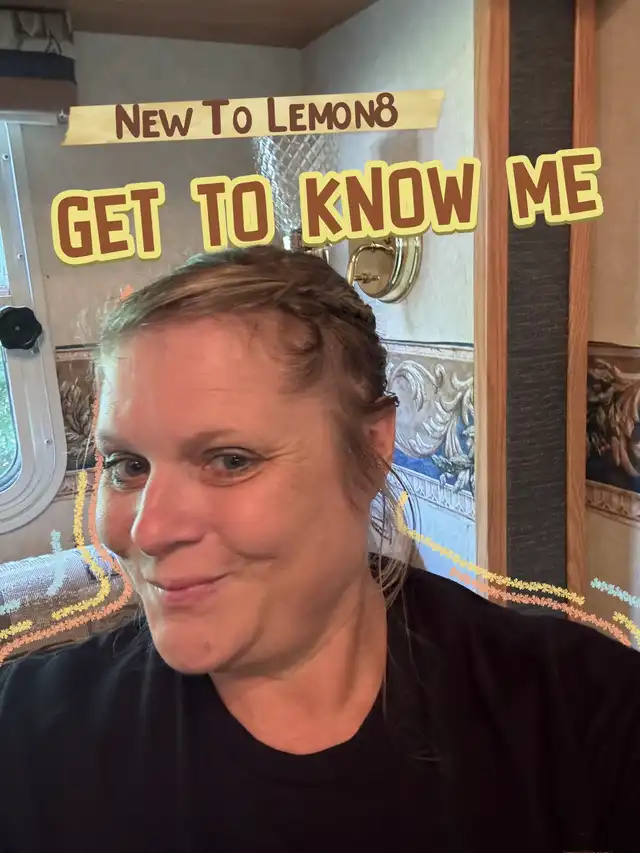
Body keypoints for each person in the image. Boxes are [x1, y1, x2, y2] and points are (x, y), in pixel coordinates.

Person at [0, 246, 638, 853]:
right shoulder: (29, 733)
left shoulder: (576, 708)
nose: (148, 530)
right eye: (128, 466)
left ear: (371, 451)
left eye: (230, 460)